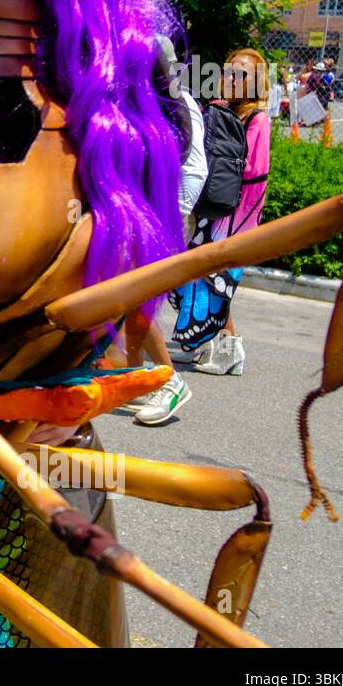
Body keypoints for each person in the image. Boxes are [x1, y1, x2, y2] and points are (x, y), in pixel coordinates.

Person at [170, 48, 271, 376]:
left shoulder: (258, 119)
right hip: (208, 210)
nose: (230, 77)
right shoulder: (217, 110)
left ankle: (232, 349)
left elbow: (256, 172)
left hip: (233, 219)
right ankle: (205, 344)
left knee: (218, 284)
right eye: (227, 70)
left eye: (241, 74)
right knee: (193, 278)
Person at [122, 35, 207, 424]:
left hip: (157, 215)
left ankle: (170, 380)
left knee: (134, 296)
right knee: (124, 298)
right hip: (147, 213)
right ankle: (134, 374)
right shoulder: (154, 101)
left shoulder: (169, 105)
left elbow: (181, 164)